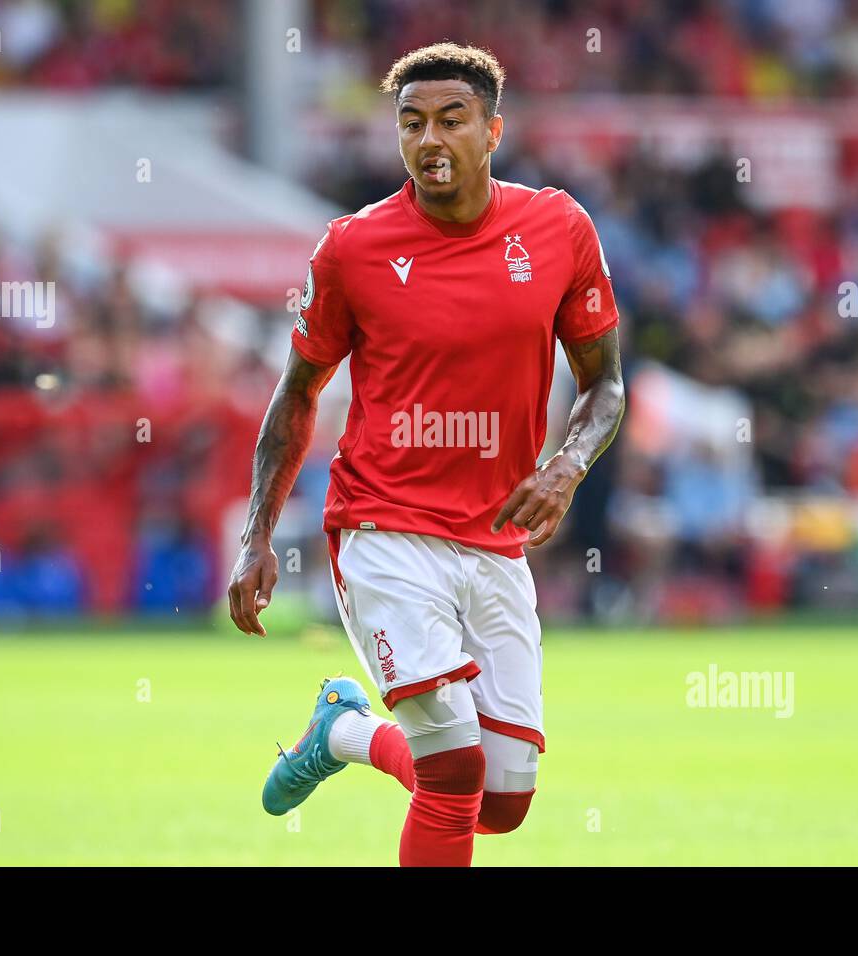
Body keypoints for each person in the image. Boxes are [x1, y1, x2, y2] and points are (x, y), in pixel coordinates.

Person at [228, 42, 625, 867]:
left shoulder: (558, 228)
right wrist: (256, 535)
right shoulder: (353, 248)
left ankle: (342, 731)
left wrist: (565, 466)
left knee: (503, 800)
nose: (428, 140)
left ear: (492, 132)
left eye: (451, 120)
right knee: (452, 770)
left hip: (492, 538)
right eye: (411, 124)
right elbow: (297, 392)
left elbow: (606, 386)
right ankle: (367, 735)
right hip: (384, 527)